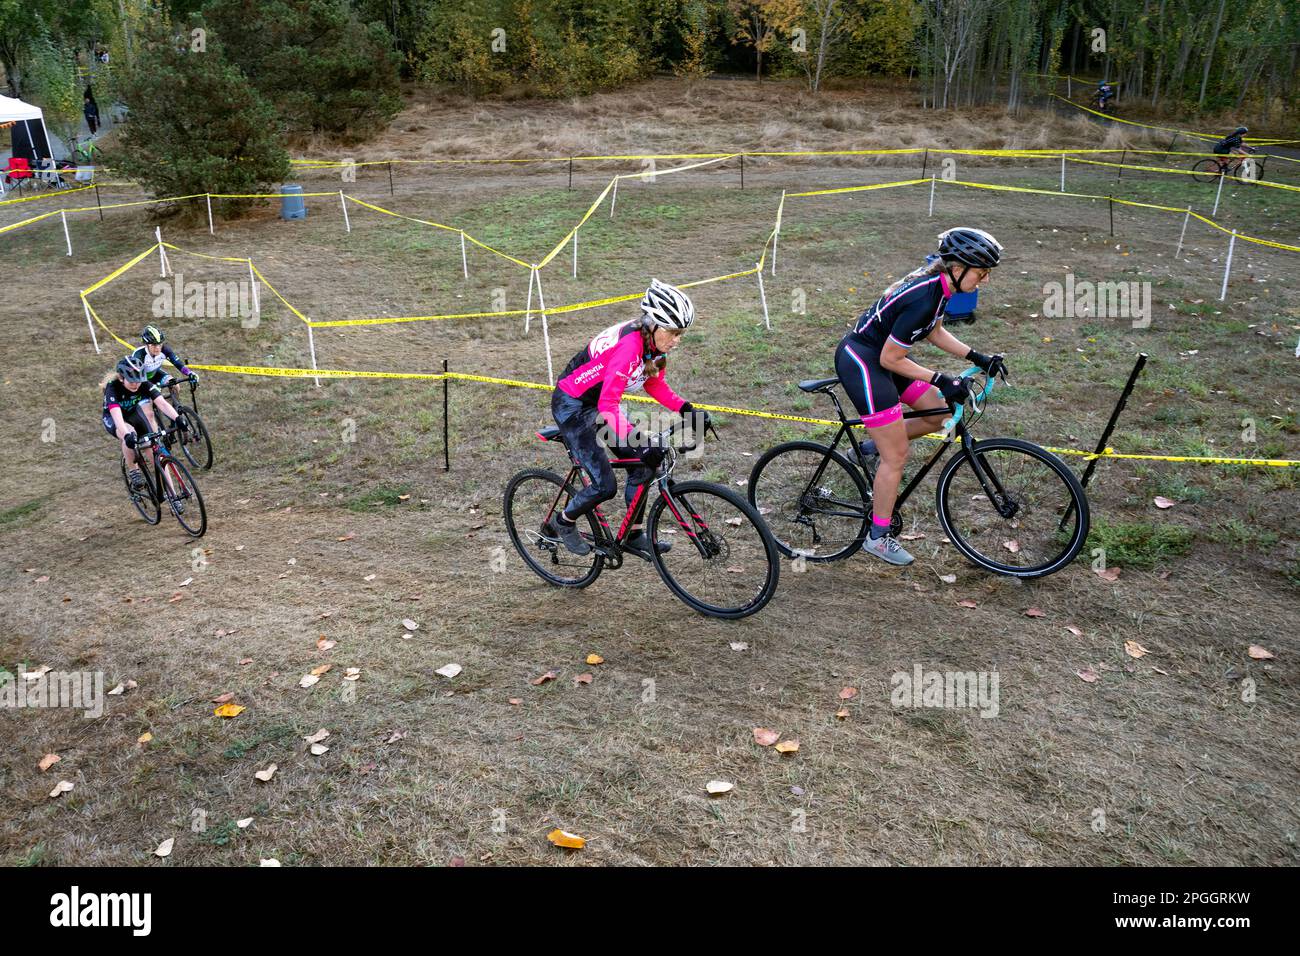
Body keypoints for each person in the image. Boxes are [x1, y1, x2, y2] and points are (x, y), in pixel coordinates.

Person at [834, 227, 1007, 567]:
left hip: (884, 358)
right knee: (897, 455)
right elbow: (889, 360)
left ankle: (869, 450)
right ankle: (878, 536)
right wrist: (942, 378)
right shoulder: (924, 295)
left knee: (940, 415)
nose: (985, 280)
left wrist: (976, 356)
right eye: (981, 272)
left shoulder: (940, 289)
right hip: (864, 362)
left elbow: (934, 331)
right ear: (957, 268)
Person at [548, 279, 705, 559]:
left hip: (600, 404)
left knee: (644, 467)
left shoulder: (654, 348)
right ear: (654, 325)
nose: (678, 340)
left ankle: (633, 535)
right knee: (604, 486)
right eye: (674, 332)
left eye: (681, 333)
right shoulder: (629, 348)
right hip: (573, 405)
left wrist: (686, 409)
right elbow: (608, 405)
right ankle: (563, 521)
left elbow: (653, 383)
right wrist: (640, 442)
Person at [102, 355, 180, 492]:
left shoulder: (143, 383)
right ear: (121, 378)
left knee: (154, 453)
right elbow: (117, 416)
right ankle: (134, 471)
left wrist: (178, 418)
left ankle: (172, 494)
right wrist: (126, 435)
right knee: (129, 434)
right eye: (131, 381)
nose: (135, 384)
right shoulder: (112, 388)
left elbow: (162, 403)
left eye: (138, 380)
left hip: (133, 413)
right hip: (114, 417)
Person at [132, 324, 198, 393]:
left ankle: (173, 403)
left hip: (156, 374)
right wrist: (150, 386)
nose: (157, 348)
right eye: (154, 345)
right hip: (141, 379)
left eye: (159, 344)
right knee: (151, 398)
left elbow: (177, 363)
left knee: (175, 386)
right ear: (146, 345)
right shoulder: (139, 355)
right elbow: (136, 377)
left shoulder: (164, 349)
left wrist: (189, 373)